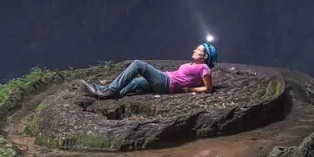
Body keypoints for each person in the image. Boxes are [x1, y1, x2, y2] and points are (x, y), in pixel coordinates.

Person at [81, 42, 218, 99]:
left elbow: (208, 88)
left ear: (205, 56)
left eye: (199, 50)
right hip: (166, 80)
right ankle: (105, 92)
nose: (195, 50)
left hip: (167, 83)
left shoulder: (204, 67)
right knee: (135, 83)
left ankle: (108, 91)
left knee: (138, 64)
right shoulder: (195, 64)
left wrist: (189, 90)